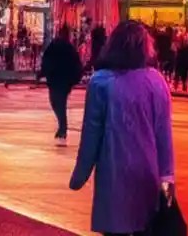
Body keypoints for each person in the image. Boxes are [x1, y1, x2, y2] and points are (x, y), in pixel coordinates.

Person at [70, 21, 175, 236]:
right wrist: (167, 177)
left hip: (114, 172)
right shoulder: (156, 82)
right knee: (146, 227)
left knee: (115, 229)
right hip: (148, 173)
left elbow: (91, 134)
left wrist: (80, 175)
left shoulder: (101, 82)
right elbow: (164, 135)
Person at [40, 25, 83, 146]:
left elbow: (47, 60)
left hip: (55, 79)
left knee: (56, 103)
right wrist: (75, 78)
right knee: (60, 102)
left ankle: (62, 127)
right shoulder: (69, 48)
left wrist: (43, 72)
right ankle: (62, 127)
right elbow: (76, 64)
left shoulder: (55, 46)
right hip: (64, 80)